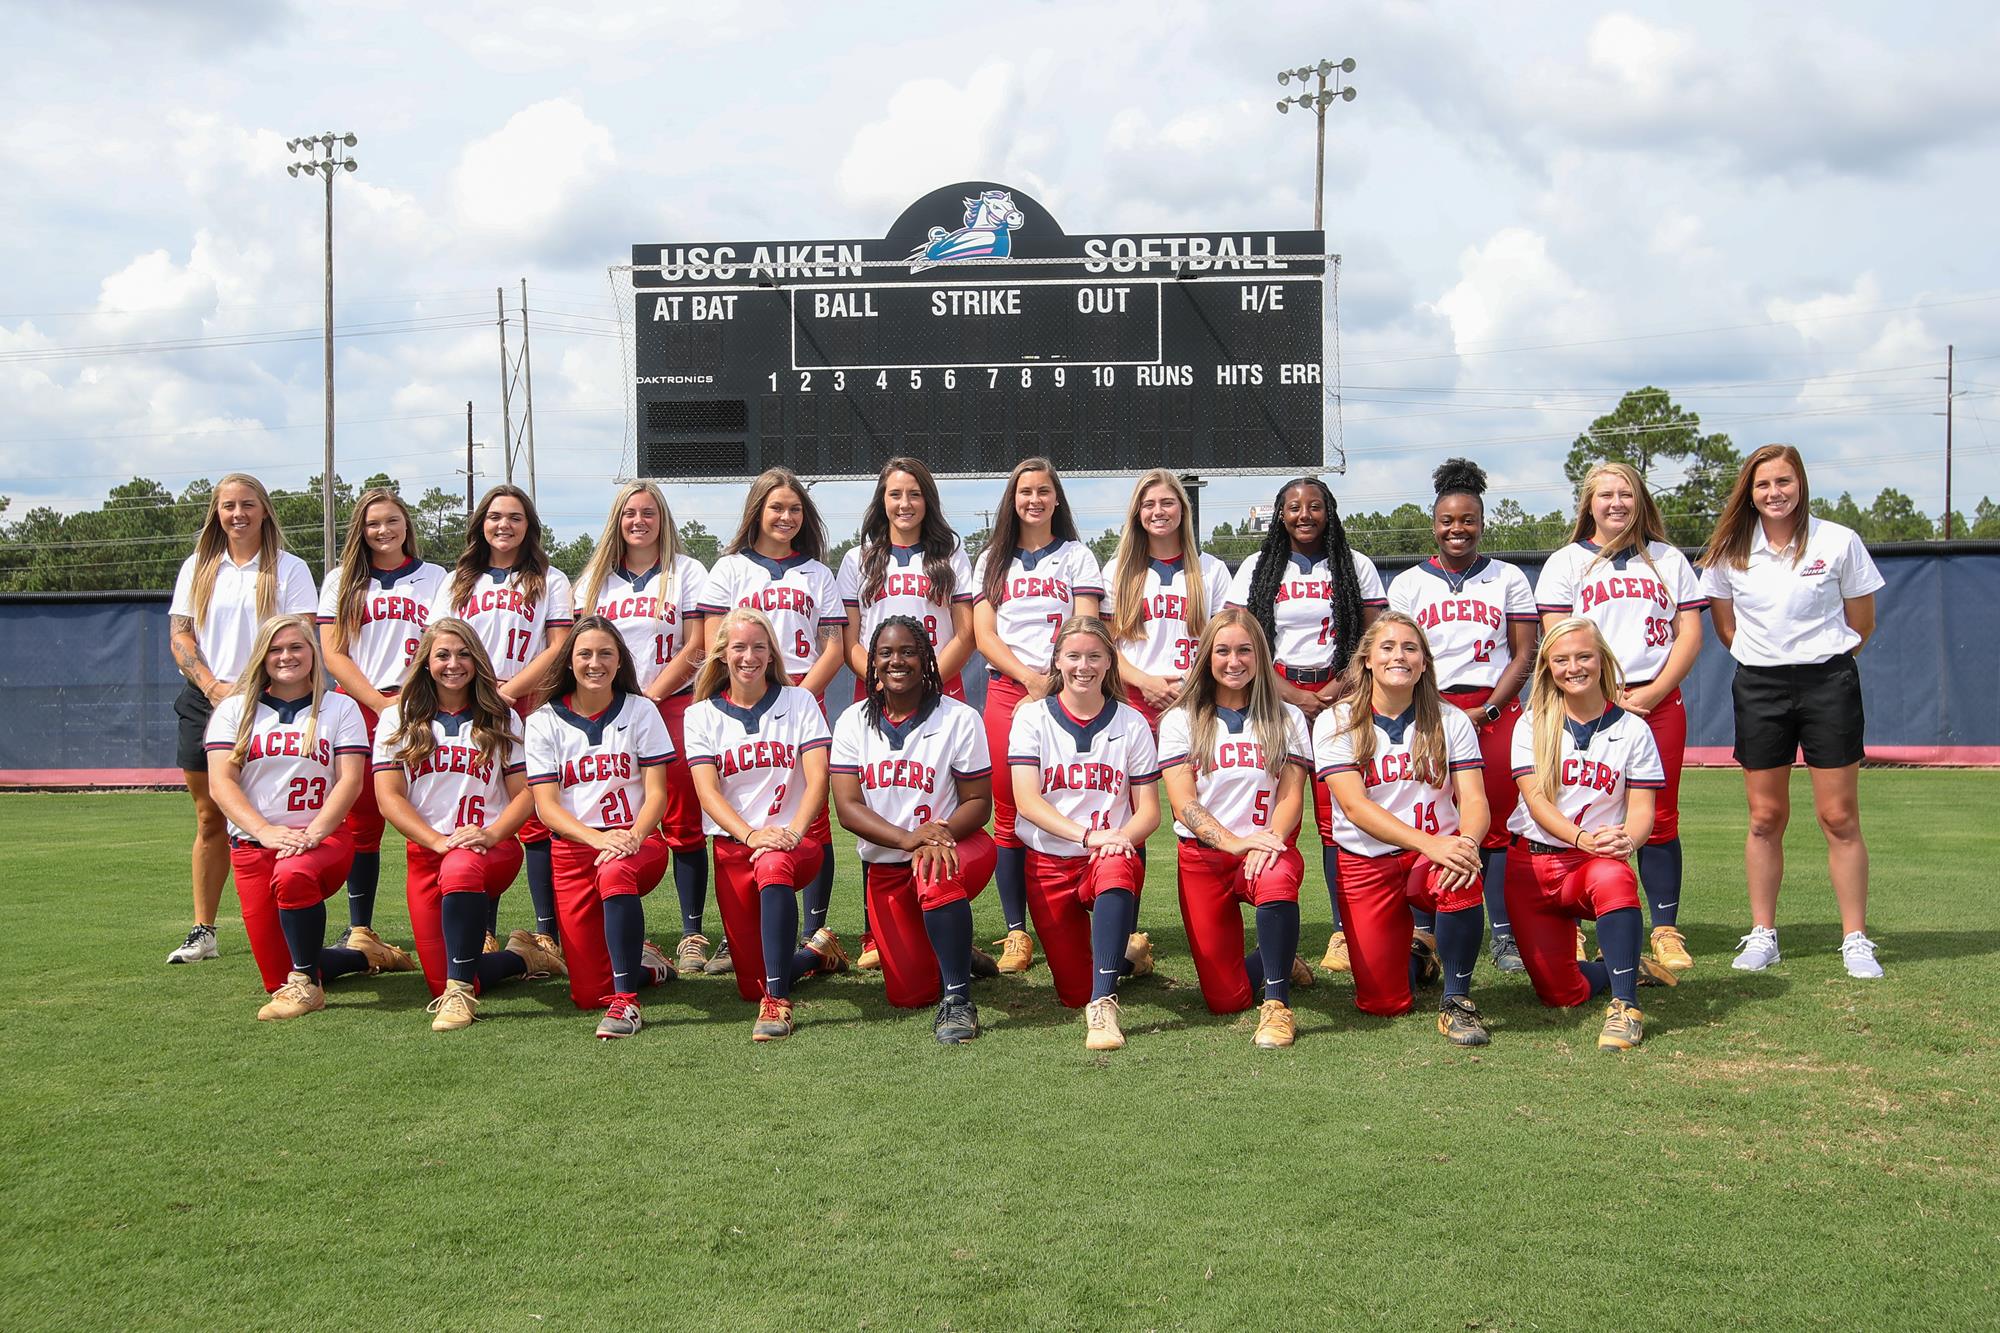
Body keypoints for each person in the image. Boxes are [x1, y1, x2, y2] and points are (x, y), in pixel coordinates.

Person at [1700, 445, 1886, 978]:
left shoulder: (1839, 541)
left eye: (1784, 481)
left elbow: (1862, 624)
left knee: (1839, 817)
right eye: (1763, 485)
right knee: (1764, 818)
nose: (1774, 493)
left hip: (1829, 681)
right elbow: (1726, 629)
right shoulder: (1729, 550)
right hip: (1759, 687)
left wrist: (1818, 664)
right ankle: (1763, 934)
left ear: (1800, 484)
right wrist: (1768, 664)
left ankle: (1855, 938)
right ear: (1749, 492)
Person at [1535, 461, 1706, 972]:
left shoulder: (1668, 559)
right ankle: (1582, 927)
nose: (1616, 503)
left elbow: (1690, 636)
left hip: (1656, 704)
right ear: (1588, 504)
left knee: (1659, 819)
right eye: (1605, 494)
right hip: (1587, 709)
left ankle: (1666, 928)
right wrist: (1604, 699)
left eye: (1626, 493)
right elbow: (1558, 643)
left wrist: (1651, 694)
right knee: (1582, 814)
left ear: (1640, 501)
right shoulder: (1567, 562)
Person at [1226, 475, 1386, 974]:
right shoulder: (1257, 567)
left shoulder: (1355, 564)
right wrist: (1292, 694)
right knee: (1282, 816)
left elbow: (1374, 634)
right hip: (1274, 698)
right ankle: (1280, 942)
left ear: (1329, 511)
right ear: (1279, 514)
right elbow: (1236, 638)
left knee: (1339, 818)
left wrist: (1337, 689)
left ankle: (1343, 931)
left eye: (1314, 506)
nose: (1304, 514)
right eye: (1293, 506)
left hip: (1343, 695)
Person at [1386, 459, 1538, 974]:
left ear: (1482, 522)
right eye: (1448, 520)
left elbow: (1523, 653)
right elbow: (1399, 653)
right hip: (1427, 709)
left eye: (1468, 519)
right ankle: (1422, 933)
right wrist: (1442, 712)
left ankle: (1502, 934)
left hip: (1494, 710)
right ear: (1434, 524)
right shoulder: (1409, 582)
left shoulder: (1508, 577)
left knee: (1490, 827)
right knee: (1423, 816)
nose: (1458, 529)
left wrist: (1489, 708)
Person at [373, 618, 559, 1031]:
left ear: (477, 660)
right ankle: (523, 957)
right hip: (427, 853)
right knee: (437, 980)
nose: (453, 664)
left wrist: (491, 834)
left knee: (462, 868)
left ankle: (461, 995)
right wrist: (437, 842)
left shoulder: (500, 714)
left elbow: (526, 794)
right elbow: (389, 798)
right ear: (425, 662)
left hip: (489, 847)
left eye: (463, 654)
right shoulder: (397, 718)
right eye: (442, 655)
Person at [1316, 612, 1493, 1044]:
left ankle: (1457, 1001)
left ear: (1424, 663)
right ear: (1367, 661)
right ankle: (1418, 955)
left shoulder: (1450, 720)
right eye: (1388, 647)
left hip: (1432, 858)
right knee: (1383, 1003)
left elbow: (1474, 799)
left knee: (1461, 872)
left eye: (1410, 648)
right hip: (1367, 861)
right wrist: (1430, 844)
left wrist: (1465, 842)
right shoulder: (1336, 721)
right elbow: (1355, 807)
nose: (1400, 655)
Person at [1505, 618, 1680, 1052]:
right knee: (1560, 995)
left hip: (1591, 865)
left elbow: (1642, 810)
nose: (1574, 667)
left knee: (1615, 876)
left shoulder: (1634, 729)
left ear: (1602, 659)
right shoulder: (1531, 724)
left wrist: (1628, 842)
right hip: (1531, 865)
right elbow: (1537, 802)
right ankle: (1622, 966)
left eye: (1584, 656)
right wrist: (1582, 838)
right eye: (1561, 660)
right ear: (1548, 667)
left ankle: (1626, 1007)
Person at [166, 473, 318, 965]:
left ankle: (290, 922)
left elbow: (302, 638)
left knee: (282, 817)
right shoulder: (197, 568)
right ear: (216, 513)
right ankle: (203, 930)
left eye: (247, 504)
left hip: (275, 703)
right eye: (228, 506)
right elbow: (181, 638)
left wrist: (258, 689)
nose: (238, 514)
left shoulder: (290, 568)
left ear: (265, 511)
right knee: (211, 815)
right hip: (207, 702)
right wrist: (212, 687)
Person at [202, 614, 384, 1019]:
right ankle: (362, 957)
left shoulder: (339, 706)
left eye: (296, 647)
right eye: (276, 649)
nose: (286, 656)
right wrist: (265, 831)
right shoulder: (235, 709)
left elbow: (350, 781)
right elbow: (221, 784)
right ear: (262, 656)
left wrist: (313, 834)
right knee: (278, 978)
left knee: (294, 875)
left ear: (312, 653)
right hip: (255, 845)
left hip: (322, 842)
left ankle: (308, 988)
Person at [698, 468, 847, 964]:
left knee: (812, 816)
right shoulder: (729, 569)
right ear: (757, 511)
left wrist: (796, 695)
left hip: (804, 692)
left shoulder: (817, 573)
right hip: (742, 694)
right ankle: (742, 926)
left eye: (795, 509)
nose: (786, 517)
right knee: (746, 804)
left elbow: (834, 645)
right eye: (776, 507)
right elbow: (714, 643)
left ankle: (815, 929)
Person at [829, 617, 1000, 1044]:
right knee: (909, 995)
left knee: (932, 867)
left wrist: (934, 837)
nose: (896, 661)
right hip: (889, 864)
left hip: (956, 848)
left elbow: (979, 804)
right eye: (885, 653)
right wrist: (908, 838)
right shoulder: (853, 721)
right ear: (872, 663)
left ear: (926, 657)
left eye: (908, 651)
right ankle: (955, 951)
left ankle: (959, 1000)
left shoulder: (959, 717)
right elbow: (848, 808)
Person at [684, 607, 847, 1042]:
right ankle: (814, 953)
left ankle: (777, 1003)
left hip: (794, 845)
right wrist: (751, 834)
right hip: (734, 848)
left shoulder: (799, 702)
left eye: (759, 647)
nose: (749, 656)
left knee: (774, 864)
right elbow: (708, 793)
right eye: (739, 647)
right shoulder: (700, 715)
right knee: (749, 983)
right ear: (722, 655)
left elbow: (818, 778)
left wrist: (791, 833)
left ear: (773, 654)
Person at [430, 484, 573, 965]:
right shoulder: (456, 581)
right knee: (480, 810)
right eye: (495, 517)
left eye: (515, 517)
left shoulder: (550, 579)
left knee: (535, 816)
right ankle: (484, 929)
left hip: (527, 698)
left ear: (528, 525)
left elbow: (556, 647)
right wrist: (480, 692)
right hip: (467, 700)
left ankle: (545, 930)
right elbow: (441, 643)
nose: (504, 525)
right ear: (481, 524)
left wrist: (507, 693)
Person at [1158, 609, 1314, 1050]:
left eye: (1245, 650)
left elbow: (1290, 795)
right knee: (1225, 1000)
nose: (1234, 661)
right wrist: (1233, 842)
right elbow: (1184, 802)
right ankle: (1275, 957)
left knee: (1277, 881)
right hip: (1205, 859)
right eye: (1222, 650)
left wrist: (1269, 842)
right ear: (1206, 657)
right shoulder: (1180, 719)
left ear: (1261, 656)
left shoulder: (1287, 718)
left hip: (1266, 848)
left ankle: (1277, 1004)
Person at [972, 457, 1105, 976]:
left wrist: (1053, 680)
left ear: (1056, 498)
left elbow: (1087, 627)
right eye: (1024, 491)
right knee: (1009, 816)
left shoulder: (1076, 556)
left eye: (1043, 491)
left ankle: (1101, 919)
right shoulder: (992, 559)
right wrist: (1028, 679)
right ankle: (1015, 931)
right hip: (1009, 692)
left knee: (1086, 803)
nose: (1033, 499)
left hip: (1069, 691)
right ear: (1013, 499)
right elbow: (985, 634)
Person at [574, 481, 711, 977]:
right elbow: (580, 649)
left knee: (682, 820)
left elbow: (697, 642)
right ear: (617, 519)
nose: (639, 521)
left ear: (662, 518)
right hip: (608, 713)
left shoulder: (686, 571)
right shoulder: (593, 579)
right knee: (614, 811)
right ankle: (627, 926)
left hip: (669, 703)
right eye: (629, 513)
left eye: (648, 512)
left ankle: (692, 931)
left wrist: (650, 695)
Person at [1008, 616, 1161, 1052]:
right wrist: (1088, 835)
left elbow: (1148, 810)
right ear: (1057, 659)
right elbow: (1027, 801)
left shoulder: (1131, 722)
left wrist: (1116, 839)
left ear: (1110, 662)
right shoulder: (1032, 717)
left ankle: (1104, 1004)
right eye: (1073, 655)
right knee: (1071, 989)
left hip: (1105, 857)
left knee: (1116, 863)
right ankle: (1126, 960)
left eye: (1095, 656)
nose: (1083, 666)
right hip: (1051, 860)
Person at [523, 616, 678, 1039]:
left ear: (620, 659)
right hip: (575, 850)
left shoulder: (640, 709)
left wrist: (630, 837)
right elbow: (546, 807)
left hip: (635, 843)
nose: (596, 663)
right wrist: (597, 839)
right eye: (585, 654)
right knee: (589, 993)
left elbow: (657, 795)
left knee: (615, 871)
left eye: (606, 653)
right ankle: (645, 964)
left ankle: (628, 1001)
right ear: (569, 661)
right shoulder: (542, 721)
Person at [316, 485, 443, 966]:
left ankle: (454, 927)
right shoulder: (342, 580)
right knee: (363, 823)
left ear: (407, 523)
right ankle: (361, 929)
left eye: (392, 520)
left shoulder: (436, 578)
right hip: (360, 706)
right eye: (373, 523)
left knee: (434, 815)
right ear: (360, 531)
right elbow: (332, 652)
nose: (383, 530)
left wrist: (409, 700)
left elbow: (443, 644)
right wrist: (378, 702)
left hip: (423, 705)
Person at [837, 456, 977, 702]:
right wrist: (883, 683)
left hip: (940, 683)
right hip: (878, 687)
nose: (905, 504)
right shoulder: (856, 558)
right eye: (895, 495)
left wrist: (928, 681)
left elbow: (965, 634)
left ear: (927, 500)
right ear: (882, 500)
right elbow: (849, 642)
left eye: (914, 494)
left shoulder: (951, 554)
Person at [1102, 470, 1232, 734]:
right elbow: (1105, 645)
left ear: (1182, 510)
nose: (1158, 511)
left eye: (1167, 503)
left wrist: (1187, 682)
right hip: (1133, 701)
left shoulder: (1212, 569)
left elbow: (1225, 642)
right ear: (1138, 514)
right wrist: (1145, 682)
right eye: (1148, 504)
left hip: (1196, 699)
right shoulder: (1117, 571)